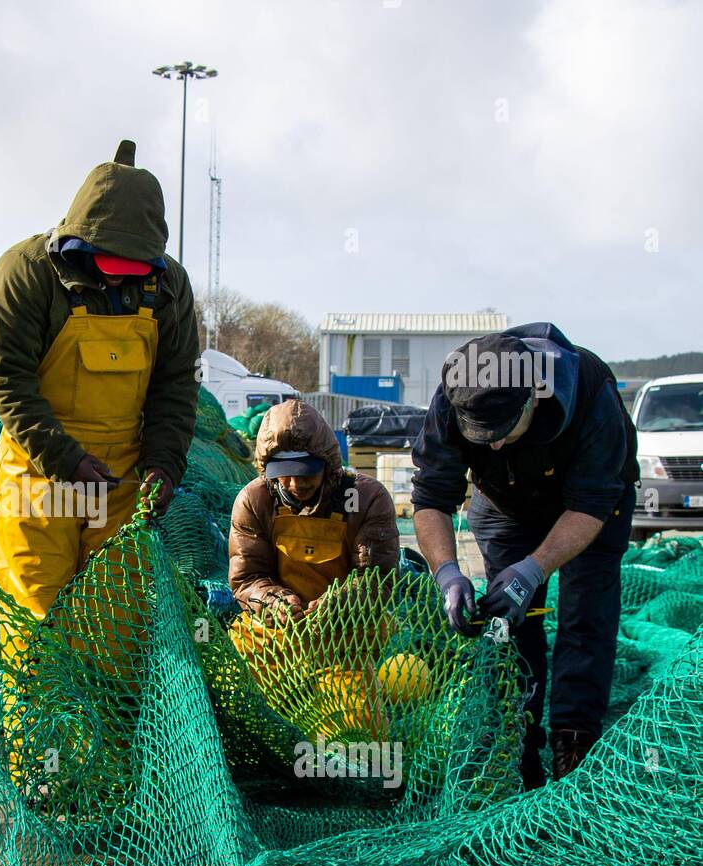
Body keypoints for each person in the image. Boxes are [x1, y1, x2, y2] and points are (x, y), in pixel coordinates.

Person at [0, 139, 201, 623]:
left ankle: (106, 700)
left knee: (116, 624)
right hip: (37, 472)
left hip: (123, 479)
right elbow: (3, 376)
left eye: (133, 271)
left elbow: (177, 384)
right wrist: (65, 458)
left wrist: (163, 465)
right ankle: (37, 702)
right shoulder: (26, 270)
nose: (121, 281)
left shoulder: (170, 286)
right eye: (111, 268)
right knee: (34, 622)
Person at [411, 322, 638, 788]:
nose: (491, 444)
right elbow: (431, 497)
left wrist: (534, 568)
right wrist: (448, 572)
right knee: (509, 616)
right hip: (503, 502)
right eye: (480, 435)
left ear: (532, 397)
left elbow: (591, 506)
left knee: (585, 613)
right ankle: (519, 731)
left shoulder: (594, 398)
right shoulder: (455, 393)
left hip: (591, 506)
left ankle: (574, 741)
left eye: (501, 431)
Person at [229, 399, 400, 618]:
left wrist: (341, 603)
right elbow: (247, 579)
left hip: (350, 631)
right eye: (286, 473)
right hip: (277, 633)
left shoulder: (366, 498)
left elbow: (380, 579)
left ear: (327, 465)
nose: (296, 484)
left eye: (306, 472)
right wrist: (273, 603)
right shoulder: (253, 500)